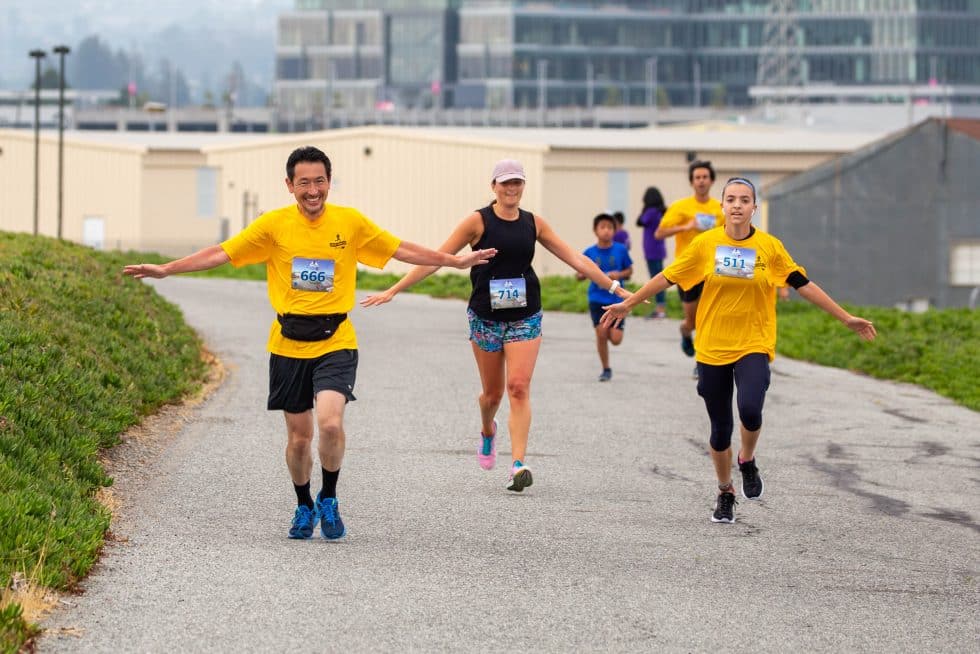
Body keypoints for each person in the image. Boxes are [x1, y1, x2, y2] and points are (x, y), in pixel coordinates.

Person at [123, 146, 495, 540]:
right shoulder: (273, 225)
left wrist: (453, 261)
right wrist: (167, 269)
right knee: (300, 440)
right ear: (290, 185)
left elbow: (400, 248)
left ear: (329, 183)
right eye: (304, 183)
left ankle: (329, 497)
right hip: (288, 344)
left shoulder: (349, 222)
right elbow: (222, 252)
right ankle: (304, 504)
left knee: (330, 424)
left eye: (320, 181)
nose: (313, 190)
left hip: (336, 339)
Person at [601, 177, 877, 524]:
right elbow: (669, 277)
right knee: (720, 430)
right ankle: (725, 491)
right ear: (722, 206)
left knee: (750, 410)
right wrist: (630, 302)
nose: (736, 205)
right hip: (712, 346)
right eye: (730, 199)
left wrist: (845, 317)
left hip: (753, 342)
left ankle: (747, 458)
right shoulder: (705, 244)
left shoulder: (769, 247)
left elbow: (802, 284)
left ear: (754, 208)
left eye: (744, 200)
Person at [361, 159, 632, 492]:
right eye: (505, 183)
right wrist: (394, 289)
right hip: (485, 317)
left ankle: (517, 465)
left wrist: (615, 288)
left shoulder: (534, 223)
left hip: (525, 315)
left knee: (518, 387)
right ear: (494, 186)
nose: (511, 188)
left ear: (523, 186)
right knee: (492, 394)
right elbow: (437, 258)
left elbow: (576, 258)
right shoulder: (477, 222)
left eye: (517, 182)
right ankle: (488, 430)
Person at [654, 160, 724, 367]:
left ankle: (702, 364)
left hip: (713, 268)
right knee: (692, 322)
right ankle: (685, 331)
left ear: (711, 181)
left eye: (705, 177)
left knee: (708, 319)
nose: (701, 181)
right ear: (692, 182)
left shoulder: (720, 208)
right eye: (697, 178)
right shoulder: (680, 207)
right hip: (688, 270)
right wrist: (686, 226)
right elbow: (659, 233)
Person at [578, 213, 633, 381]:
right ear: (595, 230)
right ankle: (606, 368)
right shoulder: (589, 252)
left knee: (616, 339)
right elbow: (579, 274)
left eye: (610, 227)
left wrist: (619, 274)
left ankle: (611, 333)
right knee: (601, 334)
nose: (606, 230)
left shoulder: (621, 249)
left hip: (617, 300)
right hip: (597, 299)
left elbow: (630, 271)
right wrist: (585, 273)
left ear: (615, 231)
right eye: (602, 227)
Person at [635, 186, 668, 319]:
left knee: (656, 280)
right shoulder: (660, 212)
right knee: (659, 278)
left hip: (651, 249)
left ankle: (660, 309)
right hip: (659, 249)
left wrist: (644, 209)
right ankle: (661, 308)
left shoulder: (650, 211)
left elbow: (640, 221)